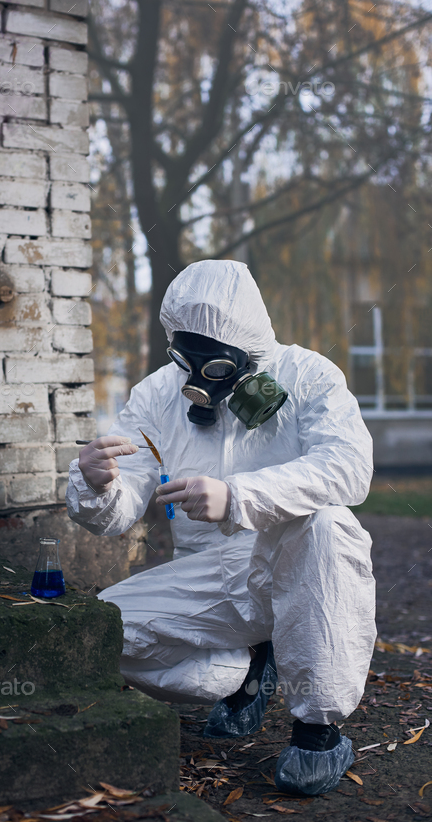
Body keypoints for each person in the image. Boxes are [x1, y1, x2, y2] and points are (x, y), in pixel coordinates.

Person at [66, 260, 376, 796]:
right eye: (190, 356)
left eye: (216, 360)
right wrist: (95, 483)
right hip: (211, 579)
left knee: (329, 525)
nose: (199, 375)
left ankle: (317, 731)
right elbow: (116, 512)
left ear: (249, 352)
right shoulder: (159, 394)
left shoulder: (307, 377)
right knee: (101, 638)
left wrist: (238, 497)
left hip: (293, 563)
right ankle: (249, 668)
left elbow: (350, 469)